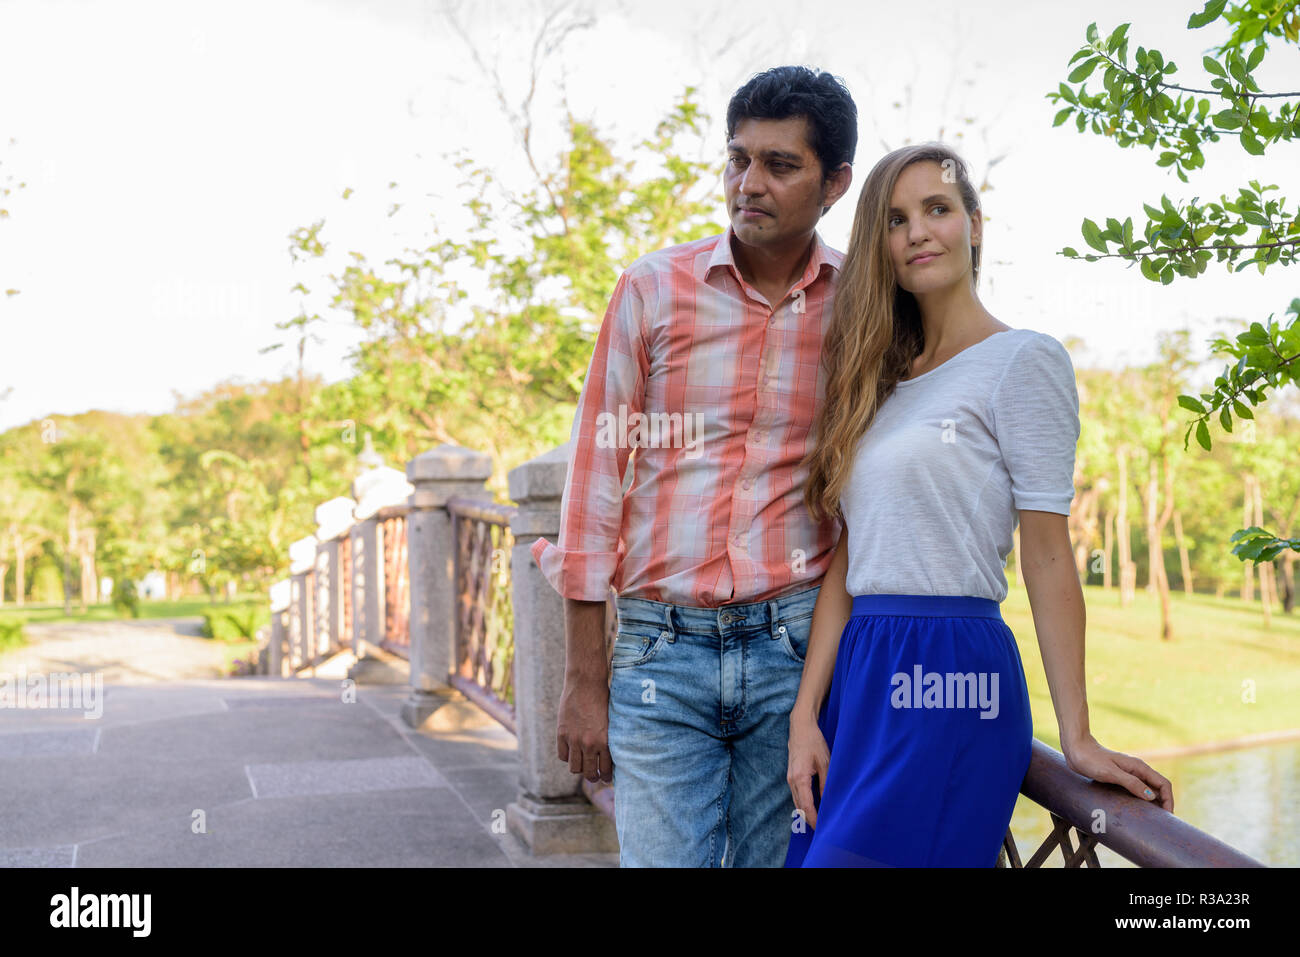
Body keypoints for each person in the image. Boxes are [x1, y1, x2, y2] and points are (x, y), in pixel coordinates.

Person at [783, 142, 1175, 868]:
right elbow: (851, 558)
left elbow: (1048, 551)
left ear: (975, 224)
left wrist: (1078, 733)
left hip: (949, 673)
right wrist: (806, 714)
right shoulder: (881, 382)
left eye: (938, 208)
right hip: (861, 678)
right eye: (896, 220)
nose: (918, 231)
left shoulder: (1023, 361)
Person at [530, 65, 857, 866]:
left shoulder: (860, 304)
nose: (749, 183)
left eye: (781, 165)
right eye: (737, 158)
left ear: (836, 183)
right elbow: (595, 483)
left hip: (792, 651)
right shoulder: (651, 289)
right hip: (658, 650)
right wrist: (584, 676)